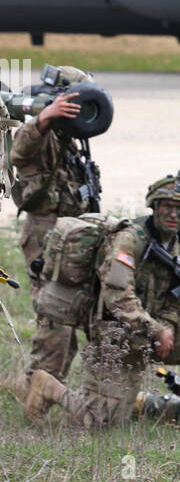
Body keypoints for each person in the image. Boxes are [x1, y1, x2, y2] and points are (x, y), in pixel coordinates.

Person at [27, 173, 180, 426]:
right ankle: (47, 386)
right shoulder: (129, 240)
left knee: (114, 412)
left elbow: (175, 299)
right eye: (168, 208)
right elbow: (117, 296)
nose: (173, 215)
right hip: (115, 334)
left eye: (179, 209)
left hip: (147, 332)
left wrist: (168, 327)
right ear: (154, 207)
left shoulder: (174, 244)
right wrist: (155, 330)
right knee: (99, 424)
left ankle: (137, 402)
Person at [11, 65, 98, 388]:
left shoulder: (72, 143)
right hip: (47, 237)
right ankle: (39, 396)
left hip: (77, 237)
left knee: (88, 318)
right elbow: (20, 151)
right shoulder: (41, 135)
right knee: (56, 325)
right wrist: (46, 117)